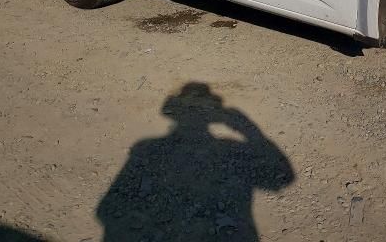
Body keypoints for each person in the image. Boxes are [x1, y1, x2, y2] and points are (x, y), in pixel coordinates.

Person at [96, 83, 294, 241]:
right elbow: (282, 178)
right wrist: (250, 130)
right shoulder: (230, 147)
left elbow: (106, 208)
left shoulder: (146, 146)